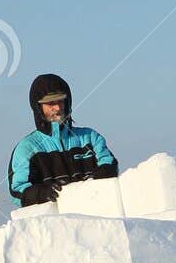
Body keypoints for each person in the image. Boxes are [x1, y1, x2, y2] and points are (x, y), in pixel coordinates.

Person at [7, 73, 119, 206]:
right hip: (55, 223)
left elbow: (109, 163)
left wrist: (101, 175)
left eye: (60, 101)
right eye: (50, 103)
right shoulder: (27, 148)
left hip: (96, 216)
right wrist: (41, 193)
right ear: (38, 108)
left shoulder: (90, 137)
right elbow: (17, 191)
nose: (58, 108)